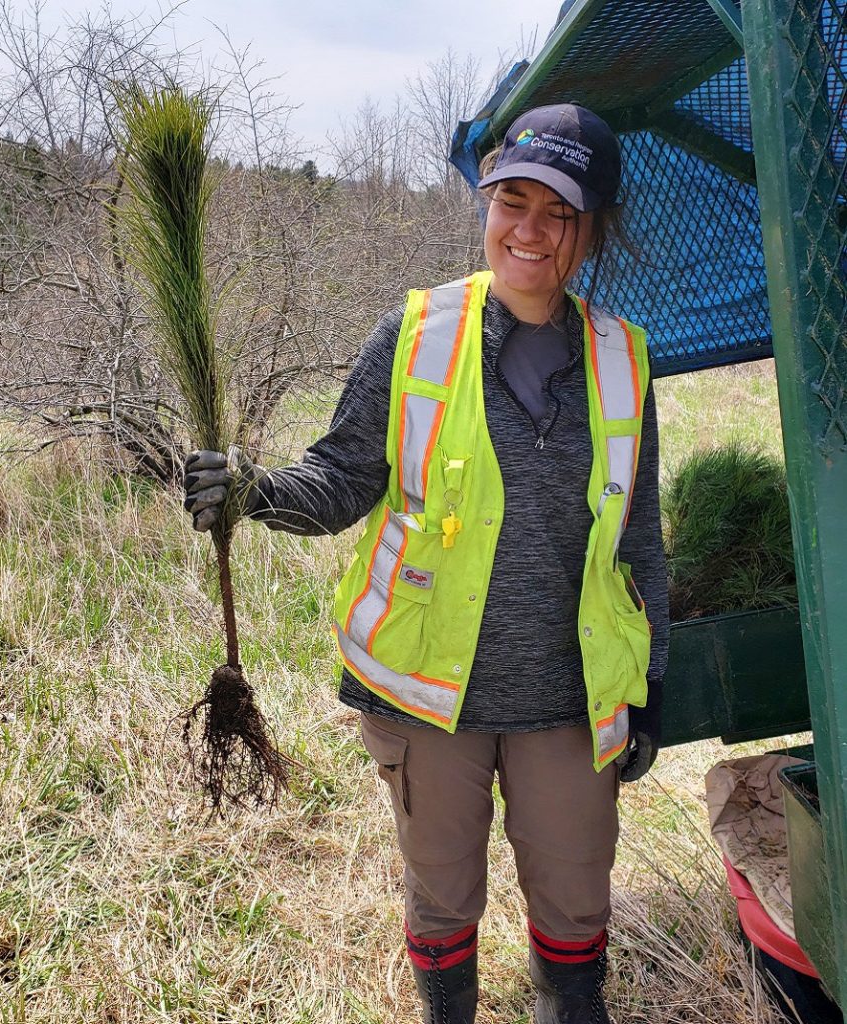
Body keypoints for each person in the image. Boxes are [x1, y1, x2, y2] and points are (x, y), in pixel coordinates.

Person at [183, 103, 669, 1024]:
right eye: (509, 201)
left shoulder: (624, 362)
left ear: (595, 228)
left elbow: (640, 538)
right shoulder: (416, 334)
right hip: (423, 693)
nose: (526, 229)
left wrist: (654, 686)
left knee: (575, 902)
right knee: (442, 896)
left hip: (569, 700)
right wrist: (250, 490)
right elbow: (337, 480)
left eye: (557, 212)